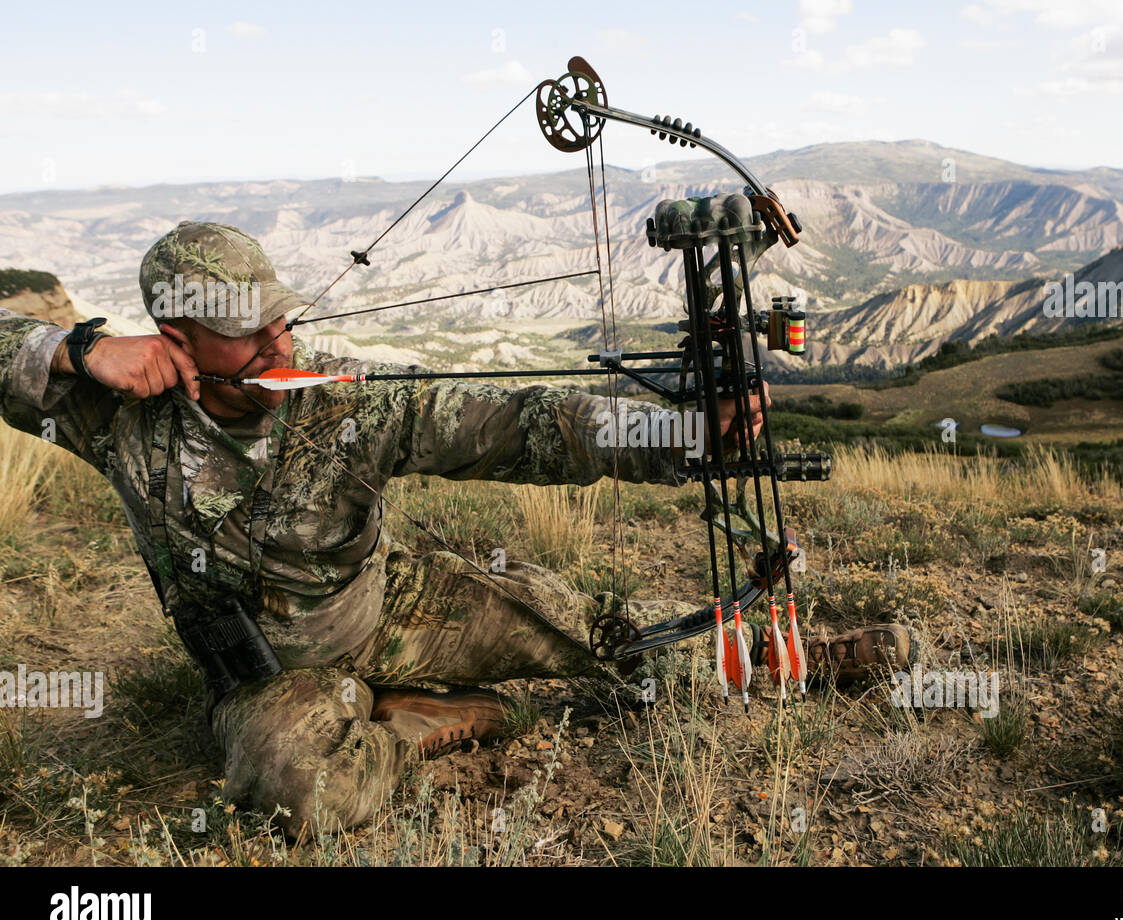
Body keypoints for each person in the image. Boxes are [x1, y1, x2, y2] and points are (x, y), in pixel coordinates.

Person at [0, 221, 915, 839]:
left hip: (392, 603)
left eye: (280, 316)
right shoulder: (112, 412)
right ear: (174, 337)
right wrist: (78, 348)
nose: (278, 343)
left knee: (593, 634)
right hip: (269, 675)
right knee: (291, 782)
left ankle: (801, 656)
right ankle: (415, 728)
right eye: (245, 333)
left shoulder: (343, 398)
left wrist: (681, 431)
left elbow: (522, 425)